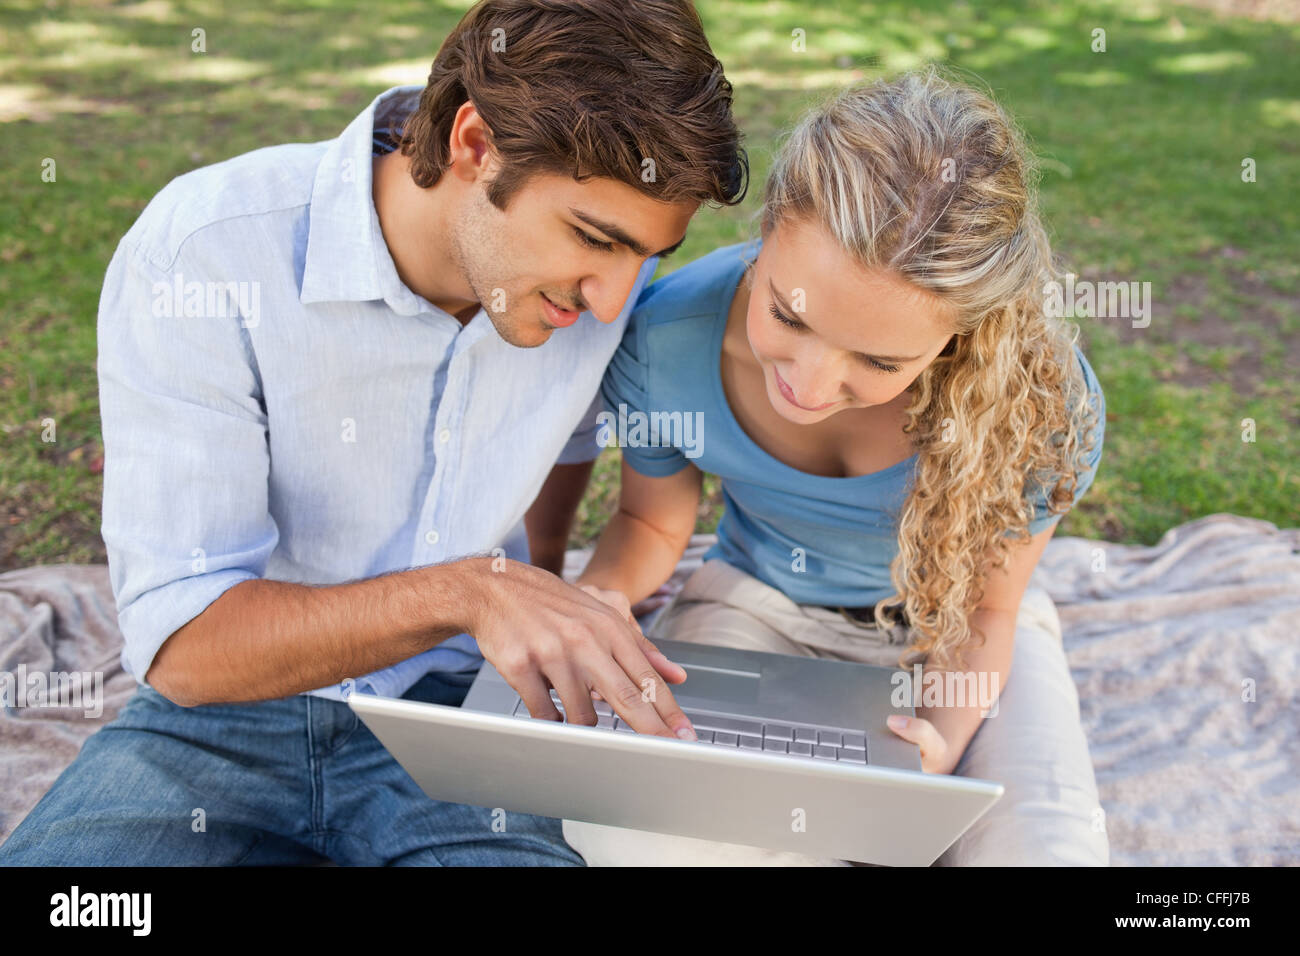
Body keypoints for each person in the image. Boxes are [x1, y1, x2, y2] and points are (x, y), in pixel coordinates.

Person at [0, 0, 747, 866]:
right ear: (475, 144)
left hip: (460, 720)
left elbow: (566, 447)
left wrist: (534, 593)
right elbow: (186, 650)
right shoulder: (206, 253)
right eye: (593, 239)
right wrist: (472, 591)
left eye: (646, 256)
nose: (615, 302)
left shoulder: (578, 289)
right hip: (219, 722)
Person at [564, 67, 1110, 866]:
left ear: (959, 336)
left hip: (957, 636)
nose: (809, 386)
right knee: (638, 839)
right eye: (788, 314)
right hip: (762, 605)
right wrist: (600, 600)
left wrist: (938, 742)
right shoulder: (667, 343)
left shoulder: (1042, 404)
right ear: (767, 227)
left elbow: (990, 613)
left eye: (880, 360)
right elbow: (651, 522)